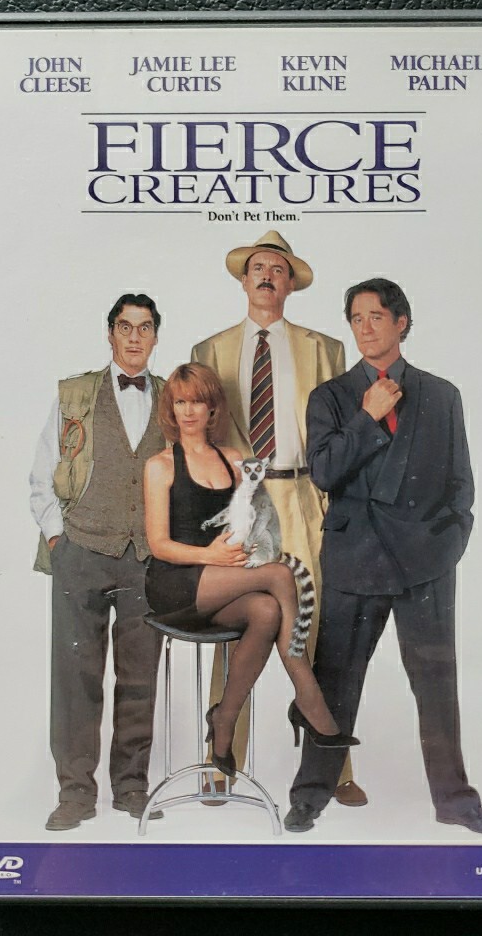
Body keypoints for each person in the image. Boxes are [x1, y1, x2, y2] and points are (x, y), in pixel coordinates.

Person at [284, 278, 482, 835]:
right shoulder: (332, 397)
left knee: (436, 683)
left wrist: (449, 543)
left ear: (401, 323)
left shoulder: (442, 394)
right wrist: (367, 416)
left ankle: (455, 802)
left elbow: (460, 483)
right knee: (334, 682)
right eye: (356, 319)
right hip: (354, 557)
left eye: (376, 317)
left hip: (425, 562)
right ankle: (310, 796)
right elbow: (325, 473)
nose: (365, 328)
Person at [191, 231, 366, 807]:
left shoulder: (324, 349)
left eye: (278, 269)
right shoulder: (210, 350)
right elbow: (198, 439)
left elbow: (343, 434)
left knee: (317, 628)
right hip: (243, 504)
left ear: (291, 284)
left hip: (304, 495)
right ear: (244, 281)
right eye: (258, 268)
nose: (267, 276)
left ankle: (333, 771)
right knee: (239, 631)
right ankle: (221, 764)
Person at [144, 363, 358, 778]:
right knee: (279, 575)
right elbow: (159, 544)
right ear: (171, 408)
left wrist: (245, 551)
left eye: (197, 402)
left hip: (222, 581)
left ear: (212, 408)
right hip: (175, 584)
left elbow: (254, 518)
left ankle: (224, 718)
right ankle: (309, 698)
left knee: (266, 610)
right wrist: (210, 555)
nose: (188, 411)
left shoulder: (233, 460)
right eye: (180, 402)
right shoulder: (161, 465)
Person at [30, 293, 166, 830]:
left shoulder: (171, 398)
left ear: (155, 337)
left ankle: (132, 788)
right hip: (81, 553)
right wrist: (58, 539)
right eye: (125, 327)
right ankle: (75, 794)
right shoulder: (76, 395)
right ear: (110, 334)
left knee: (140, 678)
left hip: (145, 560)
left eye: (144, 327)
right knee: (75, 679)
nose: (134, 337)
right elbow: (43, 472)